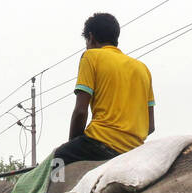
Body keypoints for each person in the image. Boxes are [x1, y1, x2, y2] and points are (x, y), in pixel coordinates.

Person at [52, 13, 155, 168]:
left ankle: (55, 192)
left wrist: (72, 145)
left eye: (86, 41)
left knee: (58, 157)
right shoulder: (143, 68)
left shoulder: (90, 56)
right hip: (134, 151)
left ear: (91, 37)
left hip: (100, 144)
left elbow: (80, 111)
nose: (86, 45)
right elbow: (150, 126)